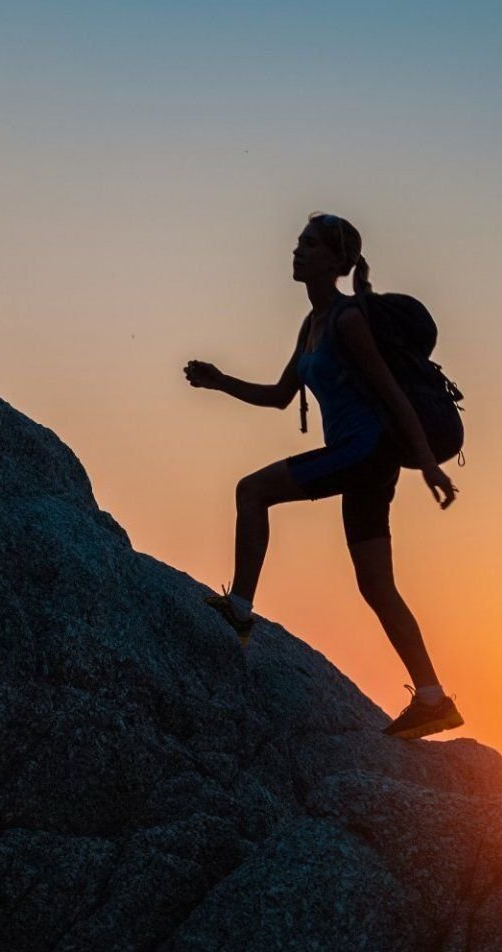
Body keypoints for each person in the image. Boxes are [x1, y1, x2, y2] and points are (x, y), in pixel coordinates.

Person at [182, 212, 464, 740]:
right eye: (298, 243)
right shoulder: (310, 326)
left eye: (309, 245)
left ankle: (240, 610)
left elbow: (391, 393)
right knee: (377, 586)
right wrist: (220, 382)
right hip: (362, 460)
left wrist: (426, 462)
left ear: (338, 262)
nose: (297, 251)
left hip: (365, 451)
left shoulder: (348, 320)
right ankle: (433, 699)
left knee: (252, 490)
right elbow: (280, 396)